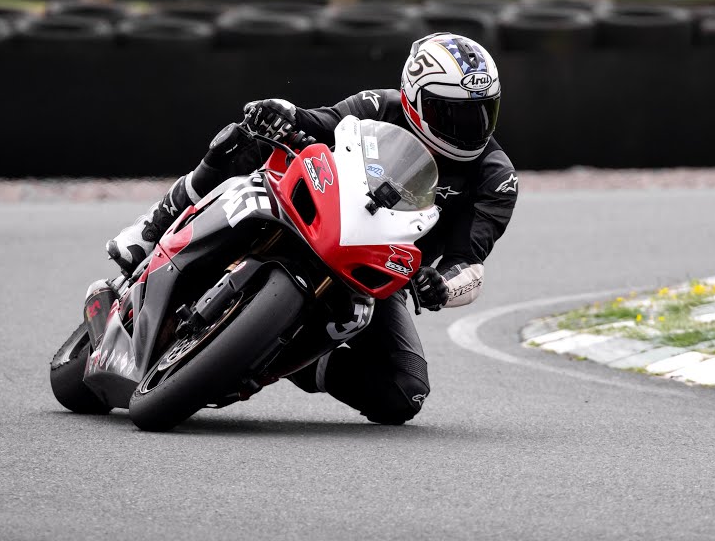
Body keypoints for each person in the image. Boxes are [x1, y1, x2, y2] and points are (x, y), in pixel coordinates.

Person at [100, 31, 518, 425]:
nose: (473, 125)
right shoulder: (380, 106)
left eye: (485, 110)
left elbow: (469, 263)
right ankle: (153, 228)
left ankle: (290, 359)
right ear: (415, 100)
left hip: (373, 271)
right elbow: (317, 123)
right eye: (455, 112)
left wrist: (442, 286)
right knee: (245, 137)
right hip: (318, 212)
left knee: (404, 393)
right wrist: (281, 113)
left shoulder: (496, 178)